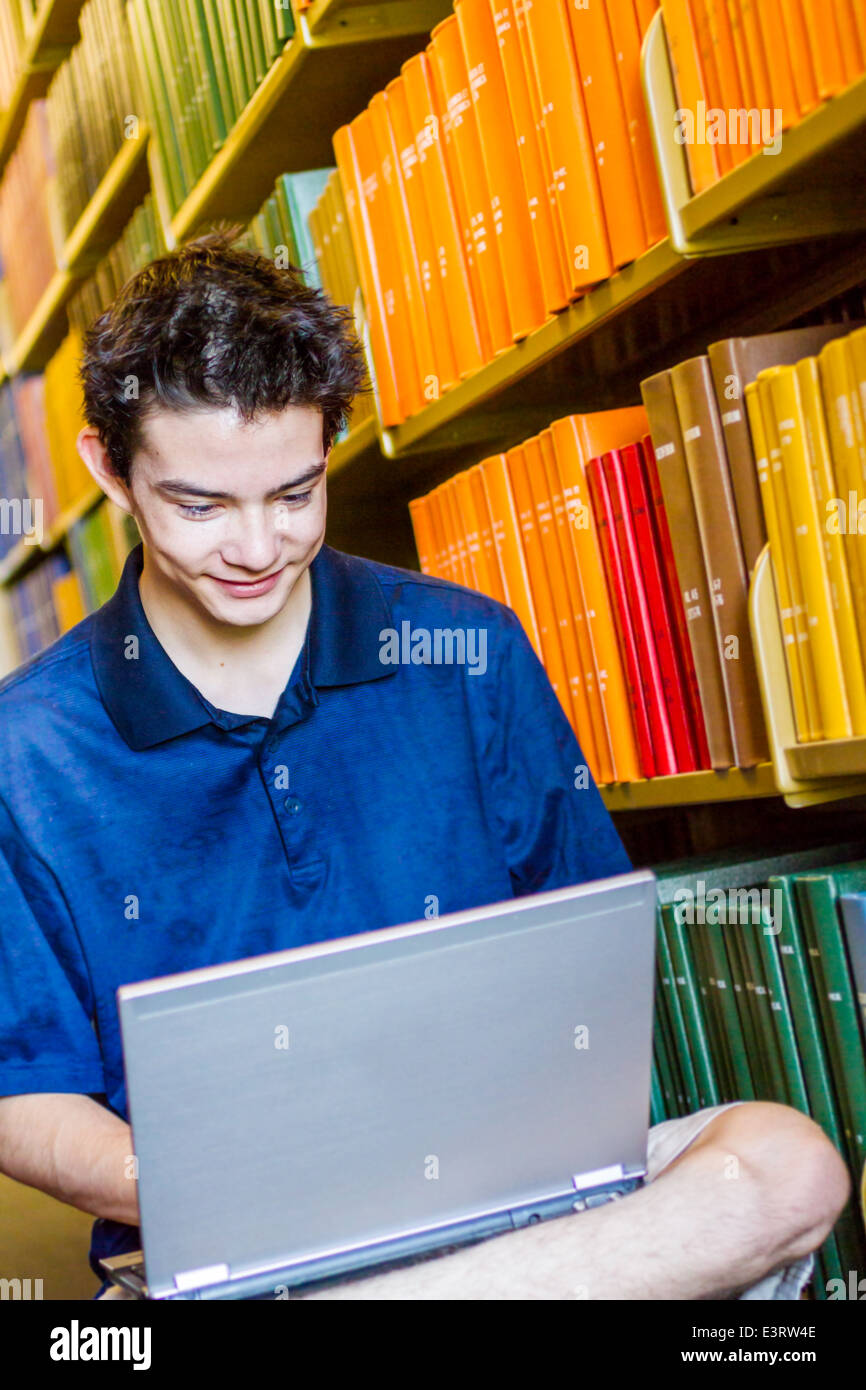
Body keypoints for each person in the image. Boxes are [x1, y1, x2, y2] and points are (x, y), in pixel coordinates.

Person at [0, 231, 848, 1301]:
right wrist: (233, 1188)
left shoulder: (468, 651)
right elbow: (19, 1092)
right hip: (245, 1244)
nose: (257, 547)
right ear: (107, 468)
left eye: (295, 494)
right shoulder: (25, 751)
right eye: (200, 506)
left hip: (511, 1210)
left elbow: (584, 948)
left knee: (786, 1164)